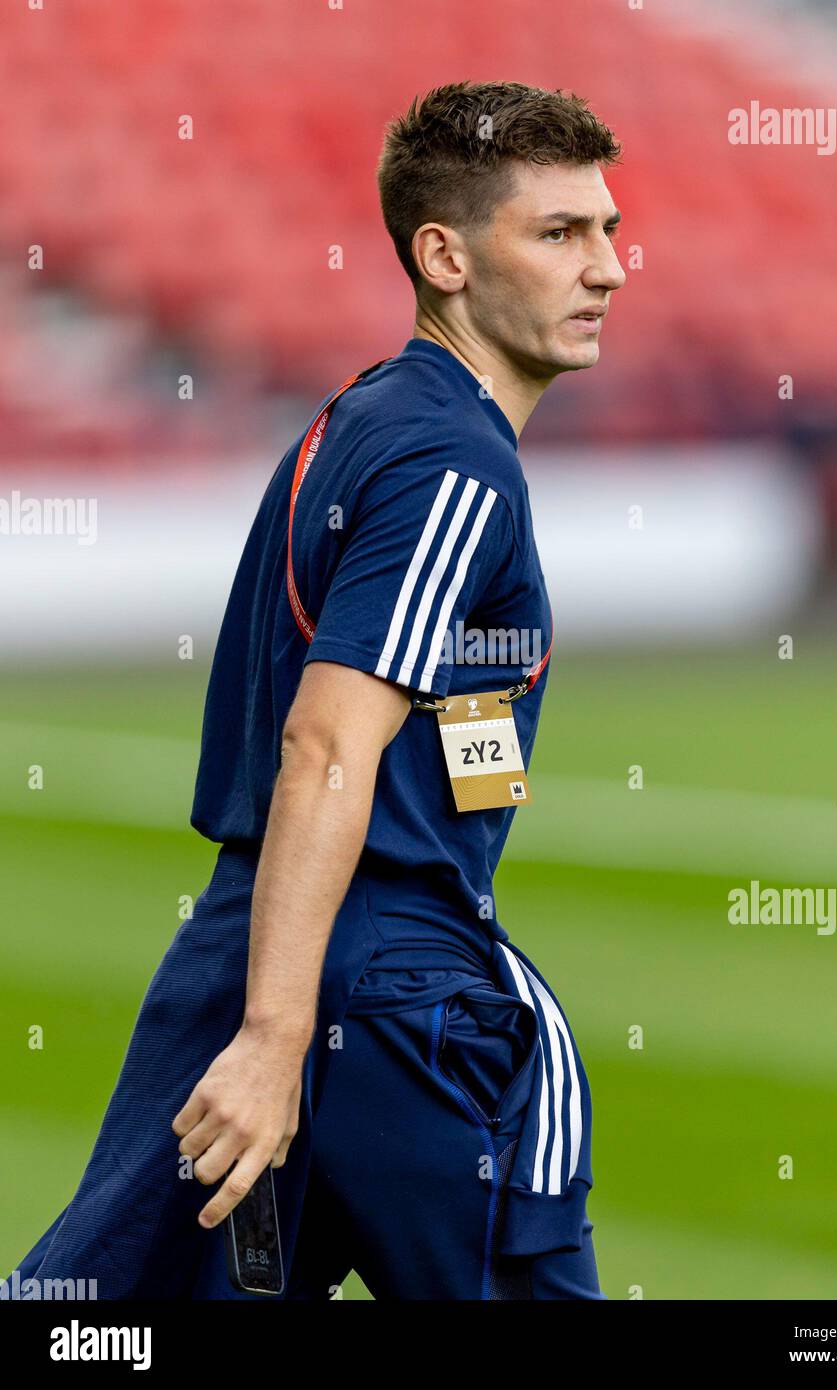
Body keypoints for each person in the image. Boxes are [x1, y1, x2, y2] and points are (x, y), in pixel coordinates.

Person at [11, 79, 627, 1300]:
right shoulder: (453, 460)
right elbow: (327, 744)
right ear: (442, 255)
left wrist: (265, 1013)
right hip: (383, 977)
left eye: (607, 229)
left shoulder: (359, 422)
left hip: (251, 945)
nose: (605, 268)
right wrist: (280, 1032)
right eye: (558, 233)